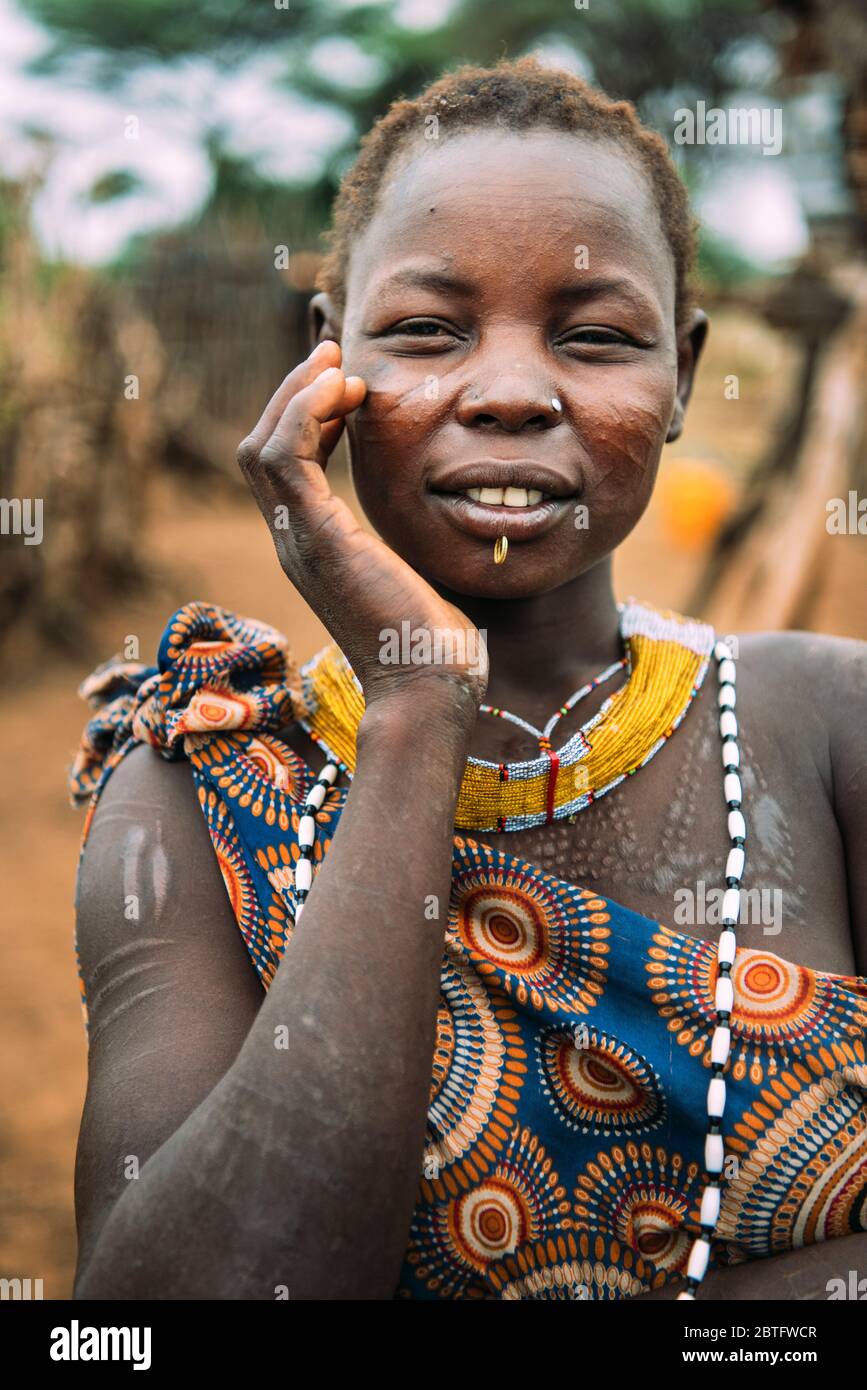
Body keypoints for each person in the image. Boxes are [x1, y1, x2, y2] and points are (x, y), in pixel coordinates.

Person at [68, 57, 867, 1301]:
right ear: (327, 362)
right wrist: (415, 707)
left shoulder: (828, 728)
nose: (508, 392)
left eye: (597, 338)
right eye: (428, 331)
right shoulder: (192, 799)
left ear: (685, 377)